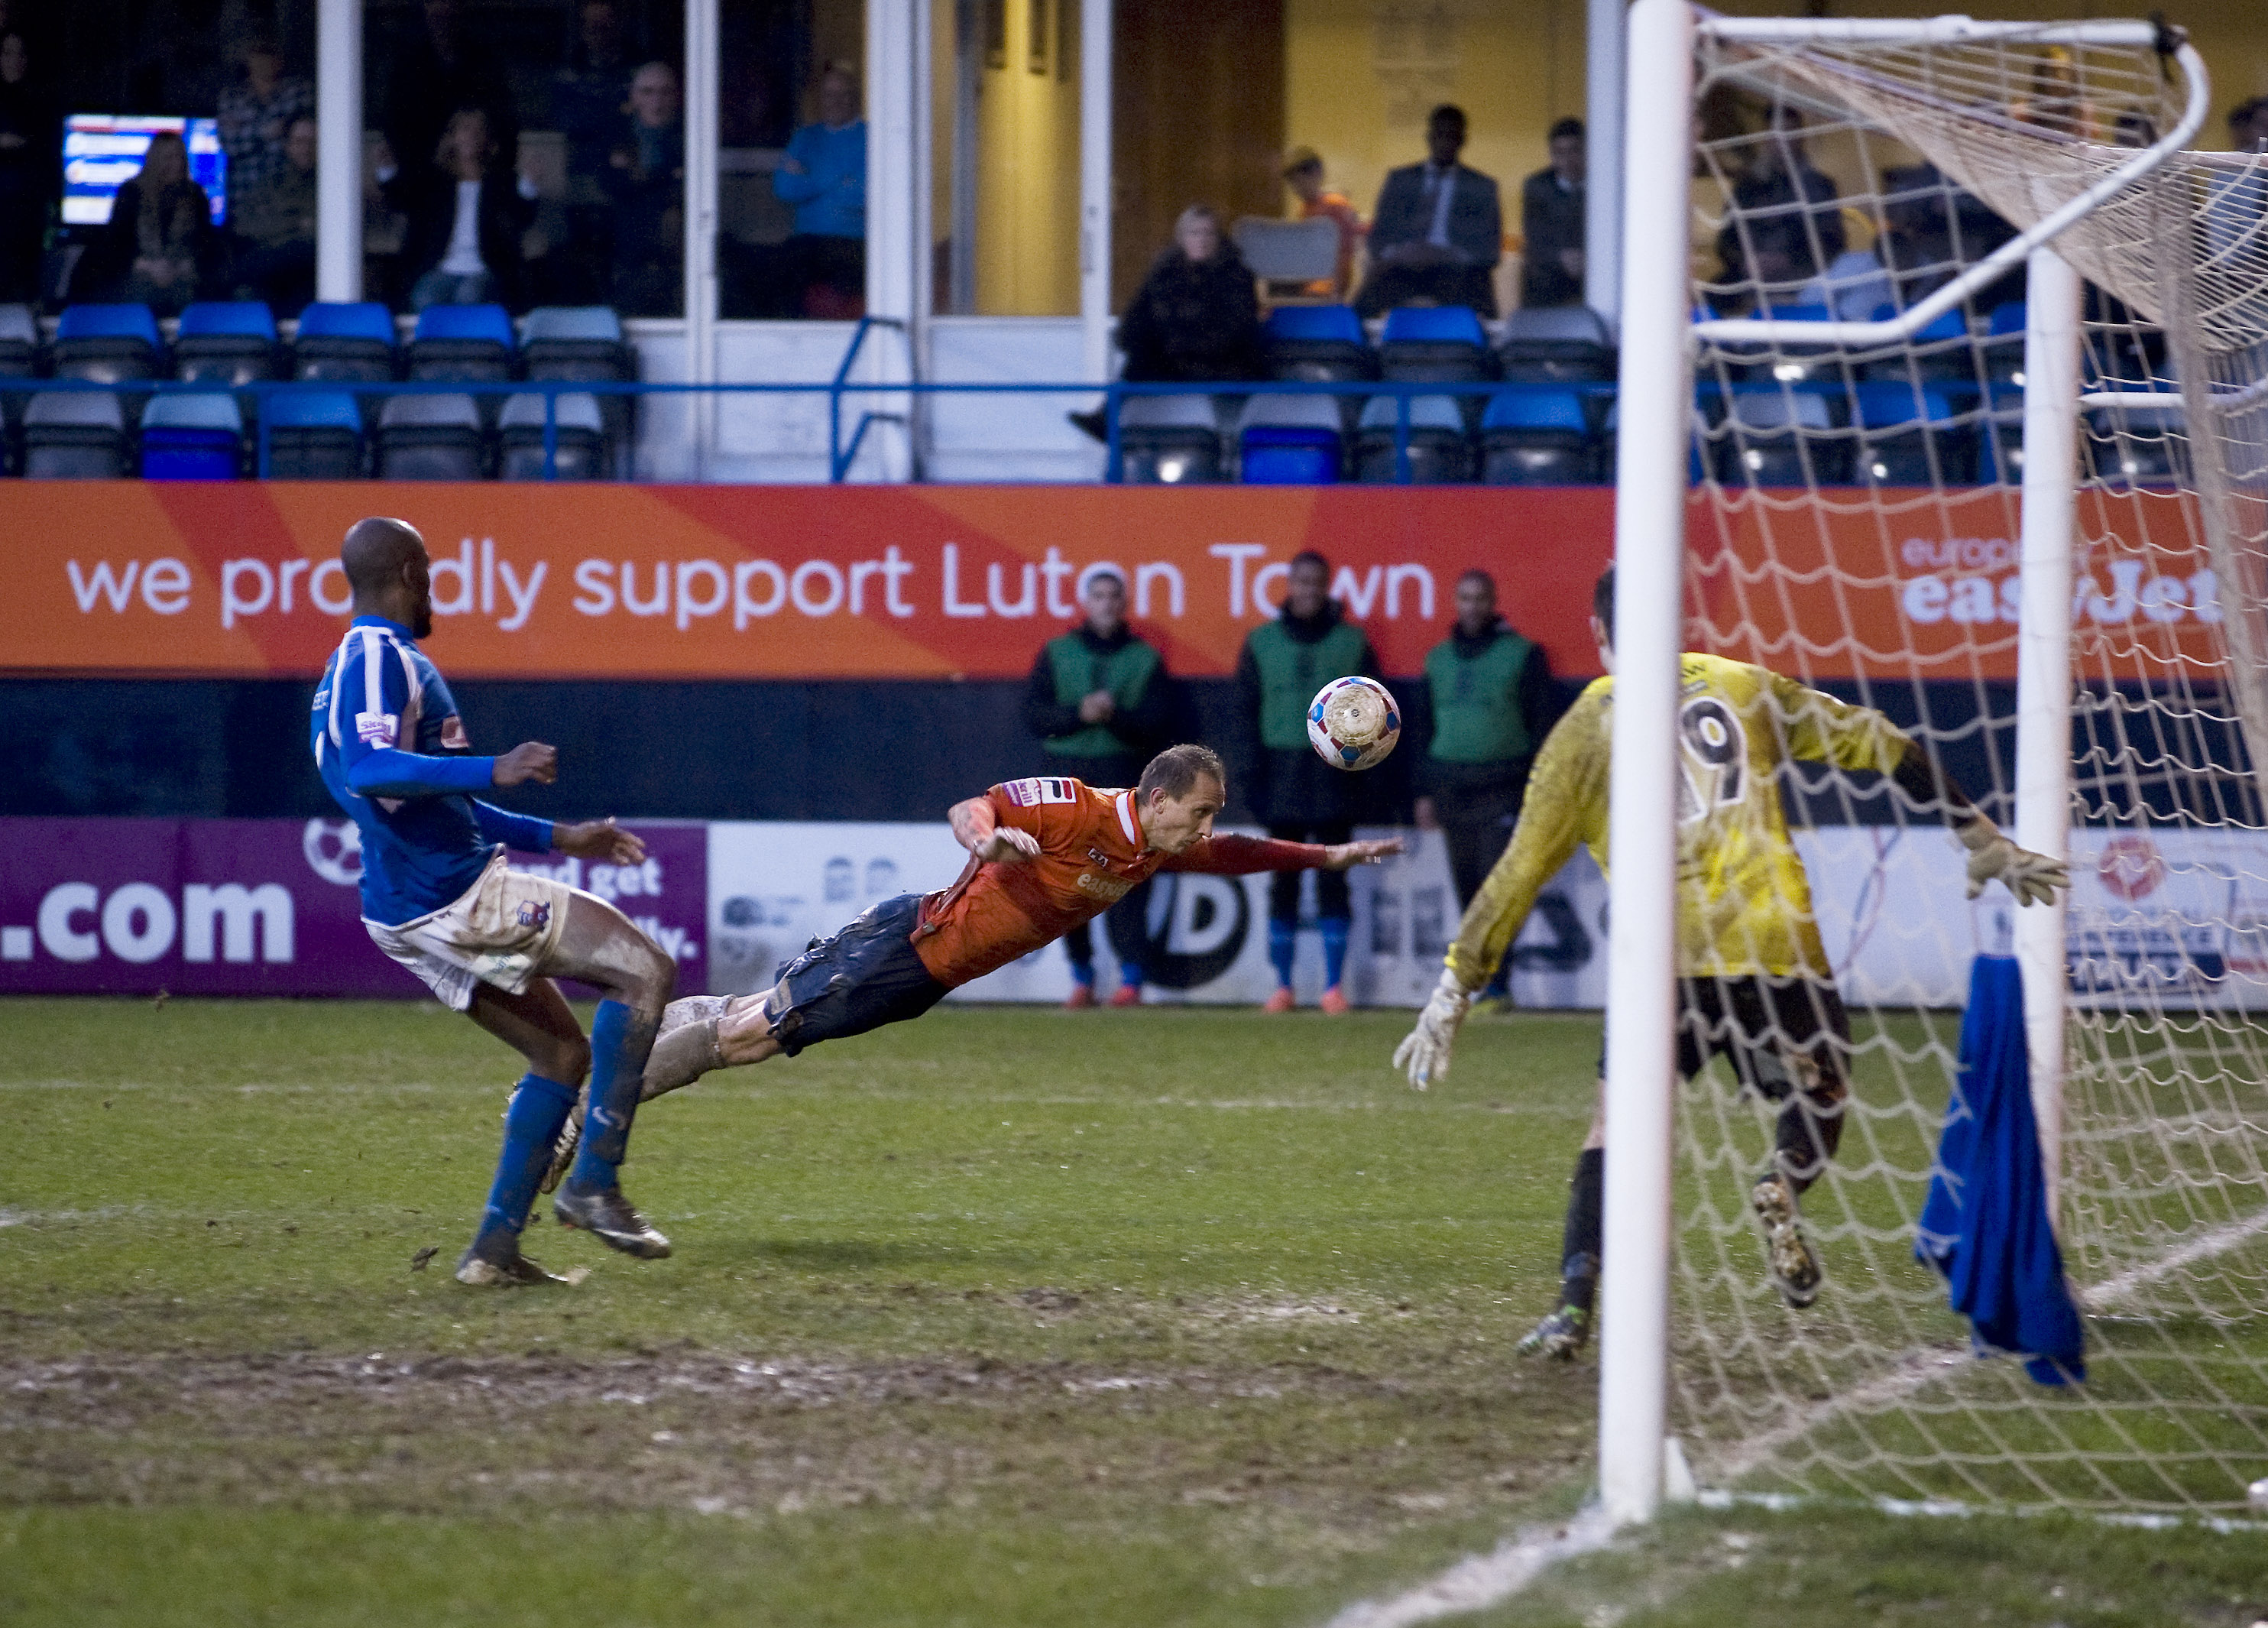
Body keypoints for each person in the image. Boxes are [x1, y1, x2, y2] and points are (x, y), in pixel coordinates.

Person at [1392, 567, 2069, 1357]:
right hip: (1773, 939)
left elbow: (1517, 870)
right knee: (1819, 1086)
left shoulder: (1584, 729)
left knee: (1615, 1126)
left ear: (1600, 634)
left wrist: (1455, 986)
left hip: (1665, 961)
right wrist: (1980, 837)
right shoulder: (1741, 686)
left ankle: (1573, 1304)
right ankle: (1781, 1179)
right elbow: (1881, 741)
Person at [552, 748, 1400, 1152]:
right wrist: (989, 842)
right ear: (1161, 796)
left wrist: (1326, 855)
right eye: (1203, 809)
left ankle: (615, 1064)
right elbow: (973, 807)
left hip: (921, 978)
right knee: (749, 1039)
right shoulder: (1077, 810)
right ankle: (577, 1121)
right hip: (910, 943)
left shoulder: (1157, 845)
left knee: (748, 1023)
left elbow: (1240, 852)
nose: (1208, 825)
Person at [311, 517, 679, 1284]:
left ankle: (493, 1253)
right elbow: (372, 768)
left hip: (404, 906)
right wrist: (495, 766)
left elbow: (427, 800)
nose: (438, 587)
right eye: (433, 572)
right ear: (410, 574)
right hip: (453, 894)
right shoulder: (379, 656)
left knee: (560, 1052)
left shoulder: (355, 667)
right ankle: (593, 1184)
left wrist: (561, 835)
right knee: (643, 972)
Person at [1235, 550, 1381, 1014]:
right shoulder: (1260, 642)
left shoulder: (1353, 643)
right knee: (1284, 880)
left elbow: (1379, 713)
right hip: (1279, 775)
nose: (1308, 591)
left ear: (1328, 586)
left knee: (1335, 878)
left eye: (1317, 583)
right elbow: (1243, 712)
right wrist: (1247, 778)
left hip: (1336, 775)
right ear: (1289, 585)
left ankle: (1333, 989)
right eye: (1301, 582)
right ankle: (1283, 987)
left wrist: (1366, 775)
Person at [1022, 569, 1174, 1007]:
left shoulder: (1145, 659)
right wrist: (1079, 714)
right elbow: (1034, 715)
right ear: (1086, 603)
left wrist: (1115, 717)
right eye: (1099, 596)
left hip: (1124, 784)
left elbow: (1158, 723)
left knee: (1125, 879)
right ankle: (1082, 978)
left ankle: (1130, 980)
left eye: (1114, 596)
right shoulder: (1056, 652)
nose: (1106, 603)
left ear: (1124, 604)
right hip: (1067, 787)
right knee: (1067, 882)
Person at [1412, 569, 1562, 1007]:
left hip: (1503, 785)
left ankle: (1499, 983)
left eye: (1480, 597)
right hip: (1451, 787)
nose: (1472, 605)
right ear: (1455, 602)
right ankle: (1476, 981)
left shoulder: (1523, 655)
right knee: (1467, 887)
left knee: (1498, 889)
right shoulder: (1437, 659)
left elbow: (1542, 728)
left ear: (1494, 601)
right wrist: (1424, 793)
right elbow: (1422, 728)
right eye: (1464, 597)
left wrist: (1538, 789)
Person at [1354, 104, 1503, 318]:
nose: (1444, 143)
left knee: (1477, 291)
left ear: (1462, 141)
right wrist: (1398, 253)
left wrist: (1447, 254)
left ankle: (1479, 346)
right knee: (1366, 299)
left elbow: (1490, 251)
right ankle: (1350, 347)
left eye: (1452, 136)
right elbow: (1377, 239)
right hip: (1403, 269)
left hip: (1456, 272)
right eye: (1439, 135)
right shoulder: (1401, 180)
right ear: (1429, 138)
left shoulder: (1480, 187)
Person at [387, 105, 536, 310]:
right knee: (425, 297)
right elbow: (405, 203)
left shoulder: (500, 181)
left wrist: (529, 184)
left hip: (484, 269)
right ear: (453, 136)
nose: (472, 135)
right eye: (465, 128)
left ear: (488, 139)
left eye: (478, 130)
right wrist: (386, 172)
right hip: (443, 268)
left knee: (469, 296)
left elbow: (520, 218)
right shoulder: (437, 182)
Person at [382, 0, 518, 216]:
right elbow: (397, 122)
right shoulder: (409, 64)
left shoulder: (483, 61)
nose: (442, 12)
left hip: (476, 175)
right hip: (419, 176)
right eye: (435, 7)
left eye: (449, 7)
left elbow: (503, 120)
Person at [79, 131, 218, 314]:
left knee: (197, 296)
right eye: (169, 158)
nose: (176, 164)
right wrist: (146, 265)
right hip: (139, 272)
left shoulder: (195, 195)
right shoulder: (132, 193)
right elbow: (115, 244)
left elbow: (206, 242)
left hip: (184, 273)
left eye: (180, 158)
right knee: (140, 294)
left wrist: (187, 264)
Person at [771, 63, 867, 317]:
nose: (834, 102)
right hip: (806, 239)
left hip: (853, 239)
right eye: (828, 94)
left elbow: (862, 196)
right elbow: (783, 189)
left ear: (855, 98)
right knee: (776, 282)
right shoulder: (805, 137)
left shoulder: (870, 138)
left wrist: (810, 177)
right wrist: (839, 178)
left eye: (842, 94)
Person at [215, 34, 314, 232]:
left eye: (270, 53)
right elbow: (229, 142)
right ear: (247, 58)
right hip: (244, 201)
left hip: (290, 202)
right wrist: (265, 131)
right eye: (258, 53)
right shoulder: (232, 97)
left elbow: (307, 132)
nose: (265, 60)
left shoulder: (299, 91)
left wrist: (245, 130)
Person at [608, 61, 684, 316]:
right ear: (634, 96)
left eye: (665, 92)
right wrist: (666, 175)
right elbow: (614, 187)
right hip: (628, 254)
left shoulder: (690, 135)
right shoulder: (618, 136)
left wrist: (642, 177)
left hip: (679, 259)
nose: (657, 100)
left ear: (676, 96)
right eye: (648, 92)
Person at [230, 115, 316, 313]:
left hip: (308, 274)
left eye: (313, 142)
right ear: (288, 146)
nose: (306, 149)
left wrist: (277, 222)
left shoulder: (332, 185)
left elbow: (317, 233)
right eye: (300, 142)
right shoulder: (269, 185)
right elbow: (245, 225)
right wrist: (295, 223)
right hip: (266, 272)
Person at [0, 30, 54, 305]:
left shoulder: (38, 102)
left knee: (25, 282)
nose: (15, 61)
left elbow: (44, 151)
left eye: (20, 54)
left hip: (28, 211)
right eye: (7, 53)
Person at [1519, 116, 1586, 309]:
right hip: (1548, 280)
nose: (1568, 160)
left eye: (1575, 151)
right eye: (1560, 153)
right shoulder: (1538, 186)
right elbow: (1534, 238)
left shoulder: (1604, 185)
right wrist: (1560, 257)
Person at [1282, 146, 1362, 300]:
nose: (1295, 189)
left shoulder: (1337, 205)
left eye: (1299, 182)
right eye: (1292, 184)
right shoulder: (1304, 209)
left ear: (1317, 173)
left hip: (1331, 282)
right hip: (1308, 280)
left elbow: (1347, 252)